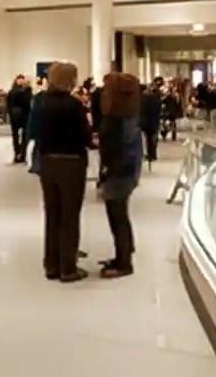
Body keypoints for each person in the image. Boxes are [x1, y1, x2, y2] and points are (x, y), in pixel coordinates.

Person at [38, 62, 92, 282]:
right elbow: (85, 136)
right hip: (71, 162)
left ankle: (52, 264)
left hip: (48, 162)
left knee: (52, 214)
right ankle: (68, 267)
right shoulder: (73, 105)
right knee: (69, 215)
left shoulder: (41, 103)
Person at [98, 72, 143, 278]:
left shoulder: (119, 119)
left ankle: (124, 261)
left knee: (118, 217)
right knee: (119, 216)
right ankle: (122, 255)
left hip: (119, 172)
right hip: (125, 170)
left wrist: (108, 170)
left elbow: (116, 149)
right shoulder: (128, 115)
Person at [7, 74, 33, 163]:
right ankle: (20, 154)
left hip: (18, 115)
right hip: (22, 116)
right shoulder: (26, 90)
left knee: (19, 136)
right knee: (21, 136)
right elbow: (27, 102)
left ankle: (19, 154)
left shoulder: (12, 91)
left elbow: (9, 105)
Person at [139, 82, 162, 163]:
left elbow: (140, 110)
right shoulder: (156, 98)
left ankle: (149, 154)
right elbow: (159, 109)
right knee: (153, 138)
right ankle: (153, 154)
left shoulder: (142, 98)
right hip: (154, 120)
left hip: (145, 121)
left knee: (148, 138)